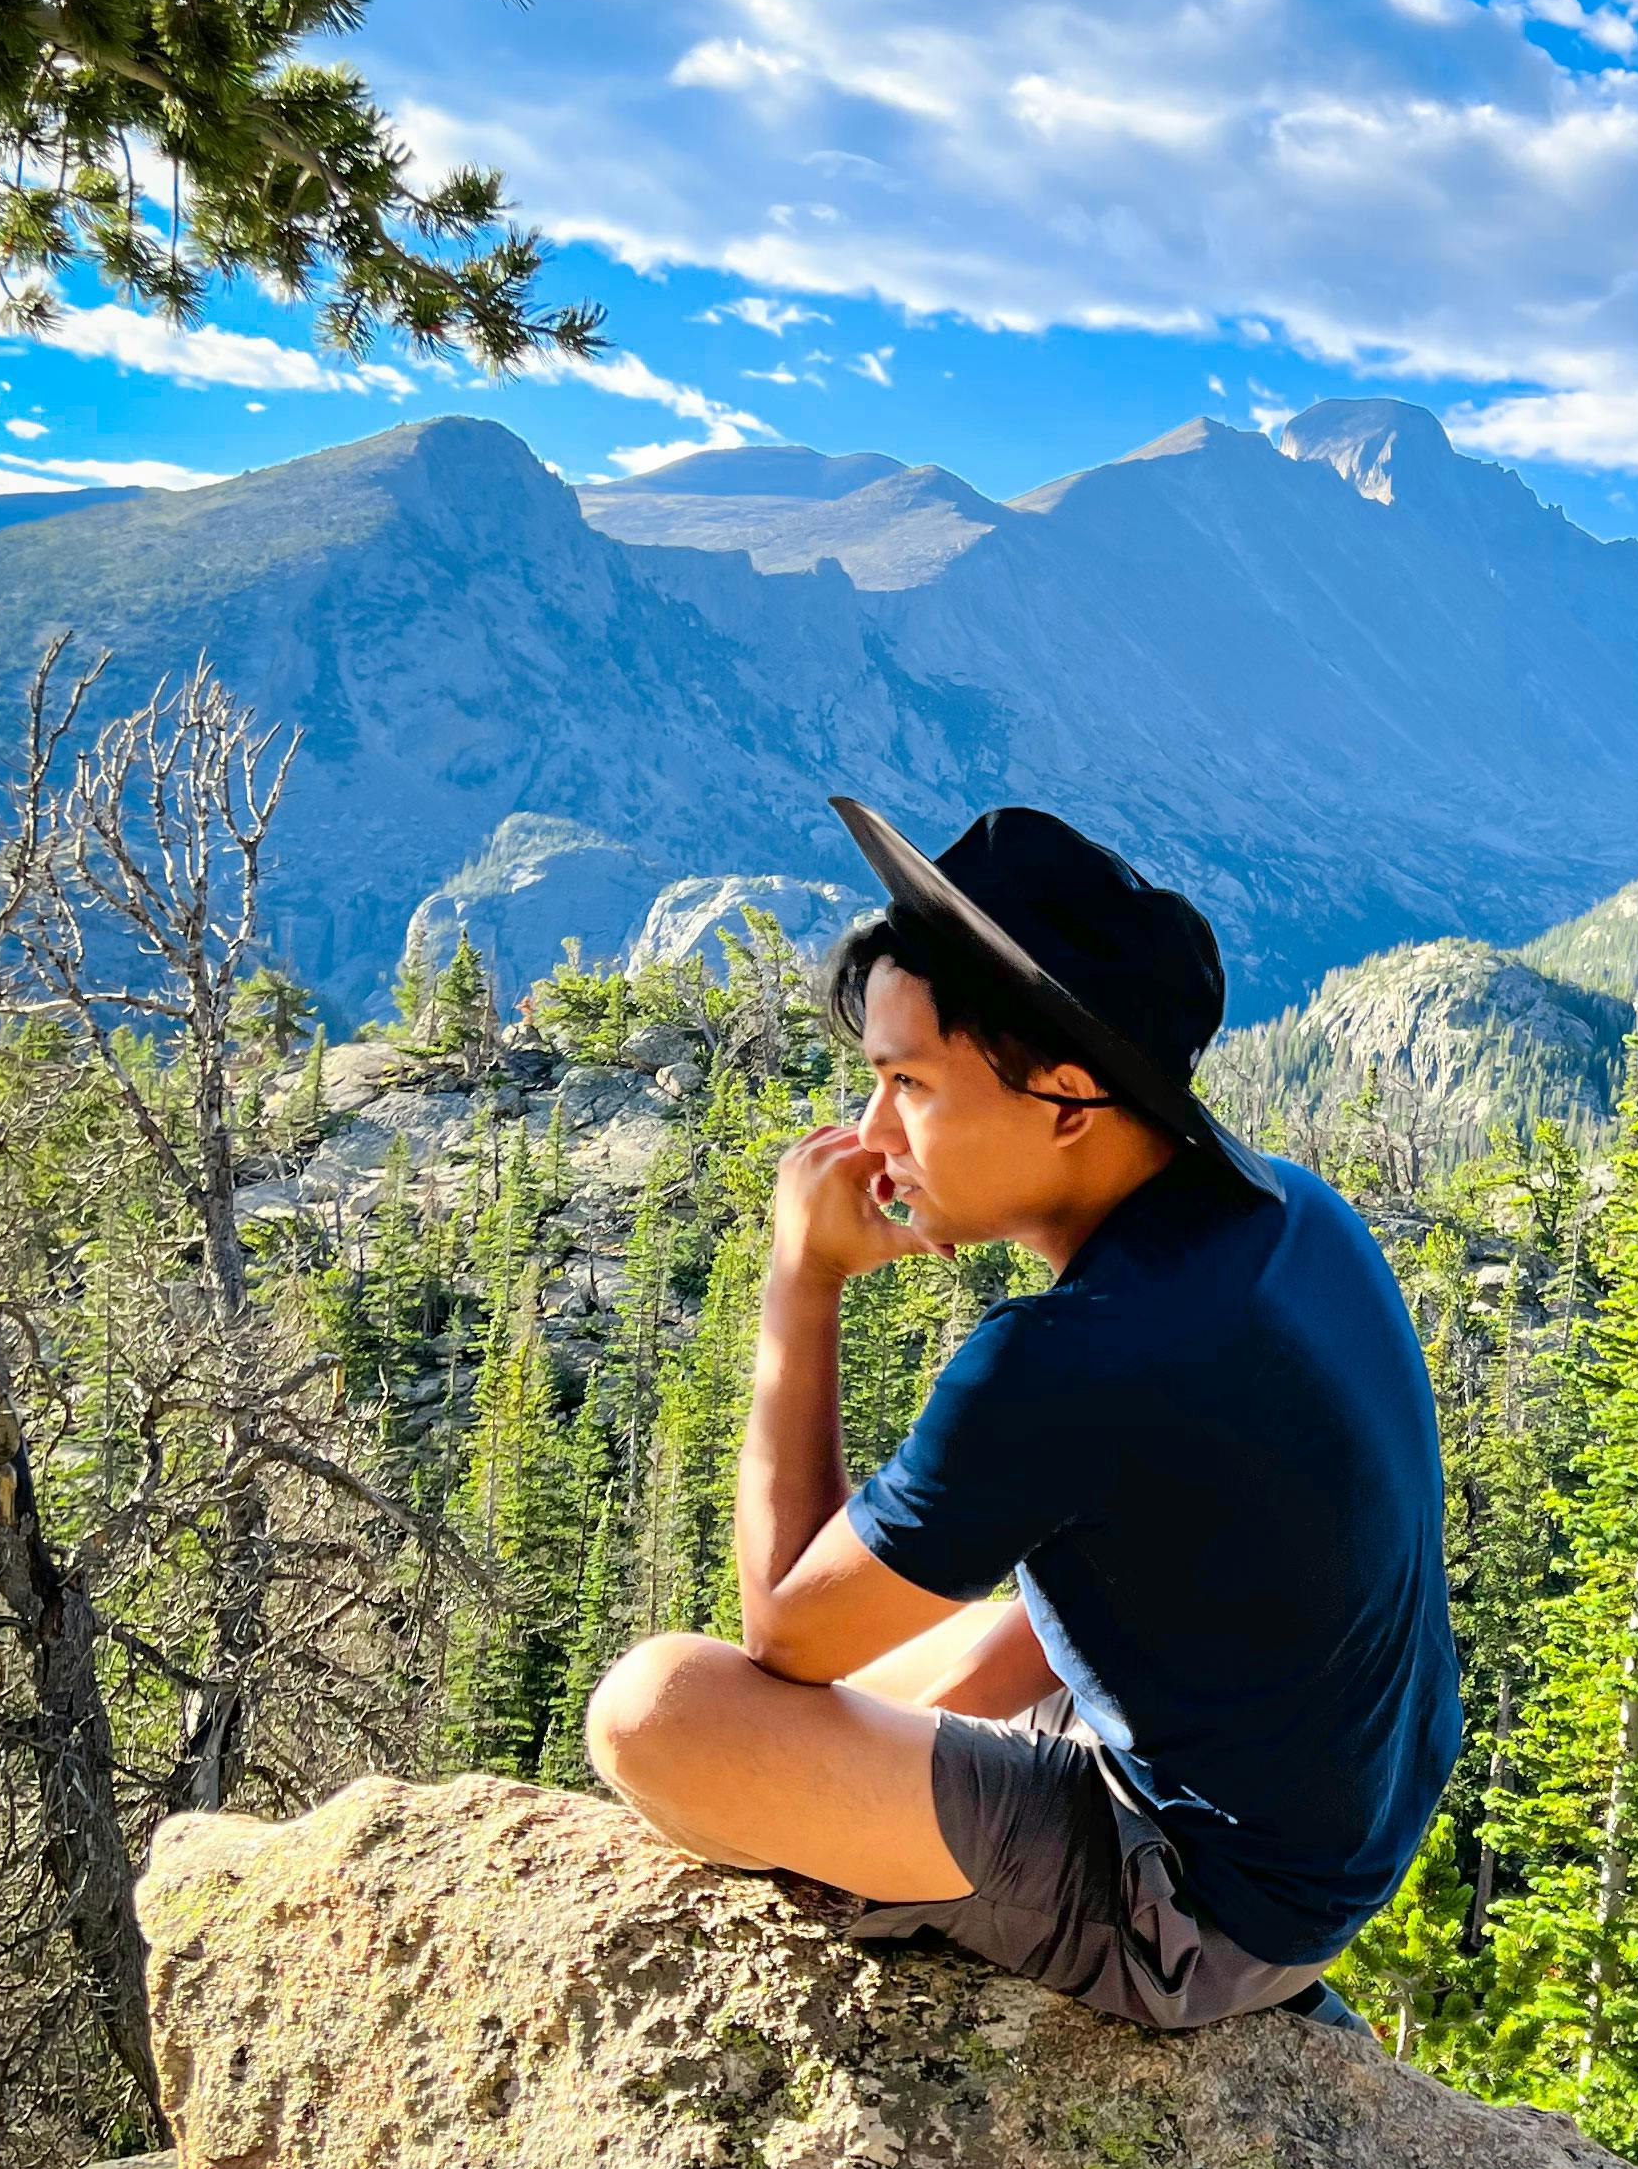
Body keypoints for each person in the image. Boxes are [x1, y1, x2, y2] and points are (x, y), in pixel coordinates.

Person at [585, 800, 1462, 2033]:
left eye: (907, 1086)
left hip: (1202, 1903)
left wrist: (804, 1278)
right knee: (853, 1685)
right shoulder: (1287, 1212)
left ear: (1067, 1094)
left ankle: (1166, 1960)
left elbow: (786, 1627)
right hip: (1315, 1827)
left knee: (660, 1713)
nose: (867, 1137)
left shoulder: (1080, 1355)